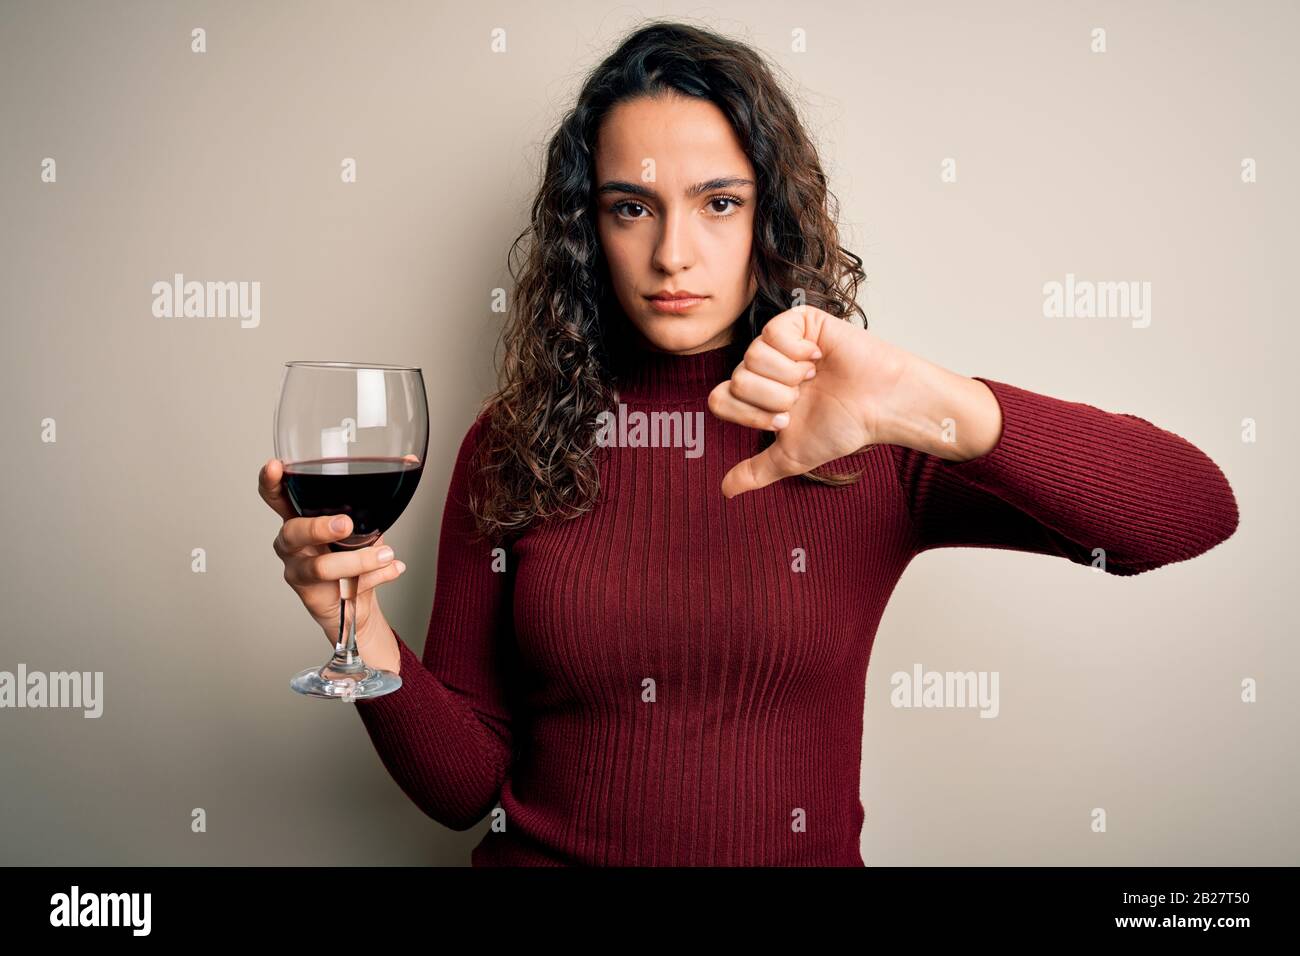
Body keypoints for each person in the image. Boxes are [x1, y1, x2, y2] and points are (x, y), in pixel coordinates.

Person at [258, 21, 1239, 866]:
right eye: (630, 207)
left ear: (767, 214)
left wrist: (930, 395)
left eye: (717, 203)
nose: (672, 252)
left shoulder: (868, 432)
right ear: (587, 229)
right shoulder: (513, 441)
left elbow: (1189, 510)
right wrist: (358, 625)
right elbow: (463, 782)